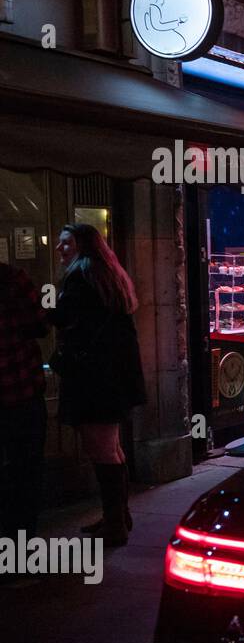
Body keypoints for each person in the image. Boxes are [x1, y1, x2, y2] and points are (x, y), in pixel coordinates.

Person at [48, 224, 146, 547]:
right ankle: (118, 515)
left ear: (83, 245)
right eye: (61, 243)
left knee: (102, 449)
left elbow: (66, 318)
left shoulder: (81, 276)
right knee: (112, 448)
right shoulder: (108, 274)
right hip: (114, 378)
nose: (61, 249)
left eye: (67, 243)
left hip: (95, 380)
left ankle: (115, 523)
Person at [0, 261, 48, 548]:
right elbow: (40, 325)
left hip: (19, 389)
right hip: (21, 391)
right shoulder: (13, 279)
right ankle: (20, 545)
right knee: (26, 471)